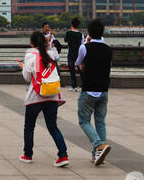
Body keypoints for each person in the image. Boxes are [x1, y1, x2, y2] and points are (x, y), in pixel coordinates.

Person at [20, 30, 68, 166]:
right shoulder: (52, 54)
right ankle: (63, 155)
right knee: (53, 127)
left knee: (29, 127)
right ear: (45, 41)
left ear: (31, 42)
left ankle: (28, 154)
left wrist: (24, 68)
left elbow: (27, 77)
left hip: (35, 97)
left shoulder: (30, 55)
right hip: (52, 96)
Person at [75, 18, 113, 165]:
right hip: (104, 90)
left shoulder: (84, 48)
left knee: (84, 120)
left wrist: (84, 67)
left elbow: (78, 63)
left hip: (89, 89)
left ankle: (99, 145)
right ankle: (97, 154)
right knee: (100, 121)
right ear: (102, 32)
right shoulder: (109, 50)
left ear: (88, 33)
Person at [64, 18, 83, 91]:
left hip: (70, 53)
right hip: (78, 54)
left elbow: (65, 40)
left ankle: (74, 86)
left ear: (71, 24)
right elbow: (82, 44)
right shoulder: (80, 34)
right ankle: (84, 85)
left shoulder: (68, 33)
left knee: (72, 70)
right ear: (78, 25)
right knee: (81, 70)